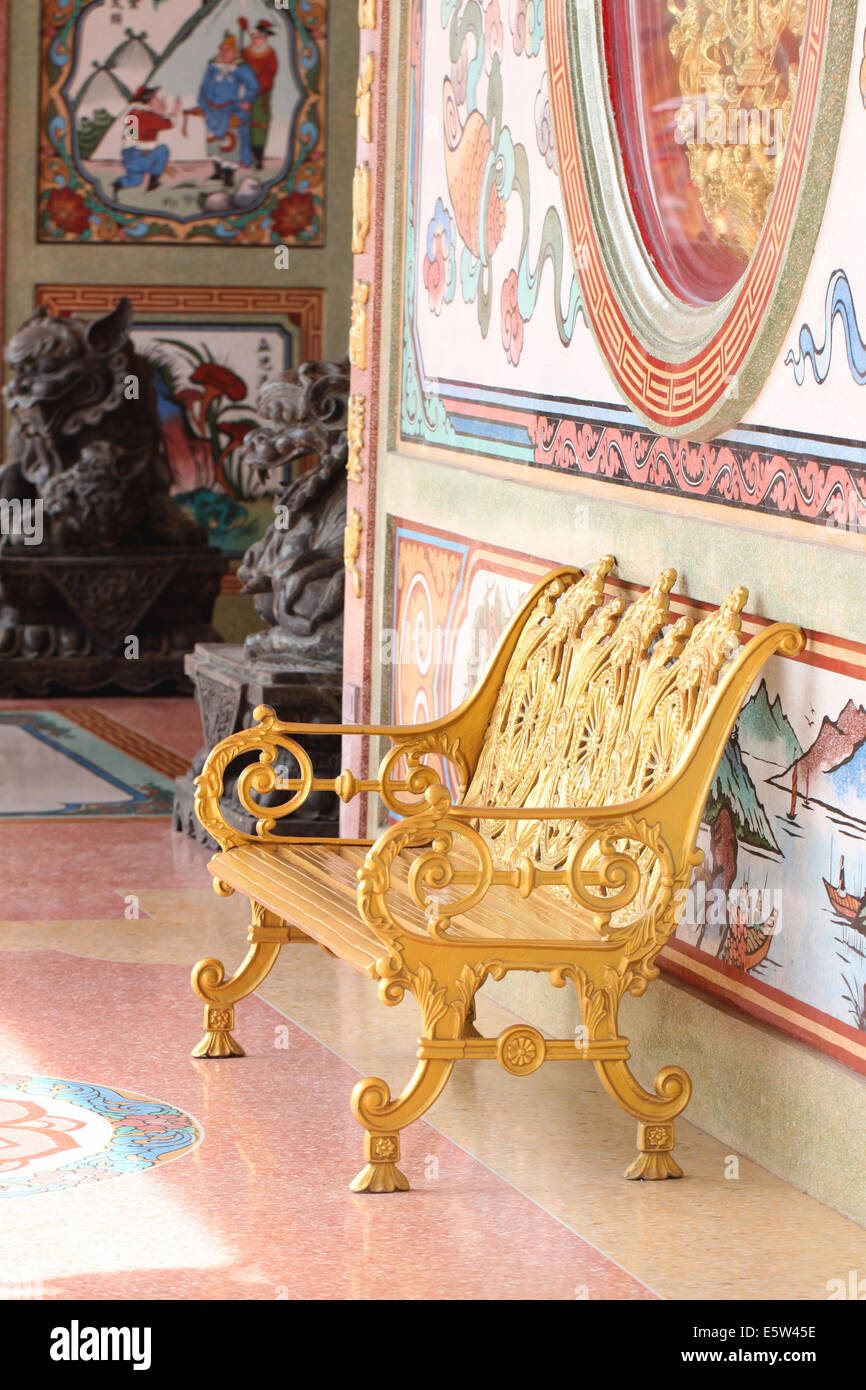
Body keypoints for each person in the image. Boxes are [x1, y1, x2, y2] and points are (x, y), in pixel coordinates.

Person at [198, 32, 259, 186]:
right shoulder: (213, 65)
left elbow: (253, 86)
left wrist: (246, 100)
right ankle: (217, 172)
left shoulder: (241, 67)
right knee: (213, 142)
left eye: (228, 50)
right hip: (212, 110)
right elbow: (204, 86)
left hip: (229, 109)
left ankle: (229, 176)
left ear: (234, 51)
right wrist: (202, 103)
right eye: (222, 50)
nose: (224, 53)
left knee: (230, 143)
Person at [112, 86, 180, 200]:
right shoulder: (148, 116)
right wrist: (174, 112)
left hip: (128, 156)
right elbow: (169, 124)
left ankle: (116, 186)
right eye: (157, 98)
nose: (159, 100)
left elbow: (131, 136)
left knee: (135, 181)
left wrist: (159, 113)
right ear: (151, 101)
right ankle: (152, 184)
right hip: (137, 156)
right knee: (163, 150)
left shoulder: (134, 113)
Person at [240, 18, 278, 171]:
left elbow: (270, 74)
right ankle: (248, 157)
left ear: (264, 38)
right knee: (245, 126)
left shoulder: (270, 54)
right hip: (247, 95)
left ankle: (259, 159)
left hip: (261, 97)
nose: (254, 40)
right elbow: (240, 65)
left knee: (260, 128)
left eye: (257, 37)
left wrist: (255, 85)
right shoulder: (247, 52)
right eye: (253, 37)